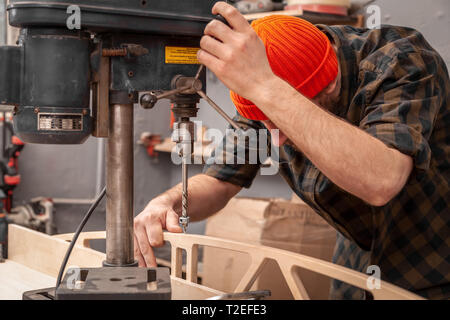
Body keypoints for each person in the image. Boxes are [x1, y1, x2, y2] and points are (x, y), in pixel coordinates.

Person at [134, 2, 449, 299]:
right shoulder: (264, 89)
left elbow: (382, 180)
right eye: (263, 120)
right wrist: (168, 202)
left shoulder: (401, 62)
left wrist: (267, 89)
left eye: (280, 121)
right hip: (354, 268)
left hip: (433, 266)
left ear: (330, 86)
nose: (275, 137)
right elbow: (220, 180)